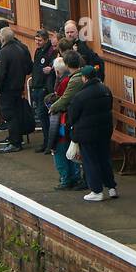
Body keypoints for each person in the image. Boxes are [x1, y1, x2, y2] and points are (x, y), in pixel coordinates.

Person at [69, 64, 118, 201]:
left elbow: (72, 116)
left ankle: (96, 191)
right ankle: (111, 187)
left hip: (87, 133)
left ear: (84, 78)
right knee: (104, 158)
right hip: (105, 130)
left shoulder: (80, 96)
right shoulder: (106, 90)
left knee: (91, 161)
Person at [46, 54, 83, 189]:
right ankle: (75, 177)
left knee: (59, 150)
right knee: (71, 151)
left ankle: (66, 179)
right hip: (71, 122)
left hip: (63, 122)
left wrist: (52, 106)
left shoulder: (66, 82)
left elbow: (63, 100)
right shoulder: (74, 79)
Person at [0, 27, 32, 153]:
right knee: (17, 113)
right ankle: (18, 139)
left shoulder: (3, 52)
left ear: (2, 38)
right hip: (19, 87)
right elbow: (28, 68)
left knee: (10, 115)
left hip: (7, 89)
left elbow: (0, 74)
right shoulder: (22, 48)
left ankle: (15, 142)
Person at [30, 29, 57, 152]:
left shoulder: (51, 52)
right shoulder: (38, 51)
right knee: (41, 117)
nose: (37, 42)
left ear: (46, 40)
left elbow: (51, 69)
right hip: (36, 86)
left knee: (44, 117)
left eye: (40, 40)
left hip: (43, 89)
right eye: (36, 40)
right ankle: (46, 142)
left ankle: (48, 143)